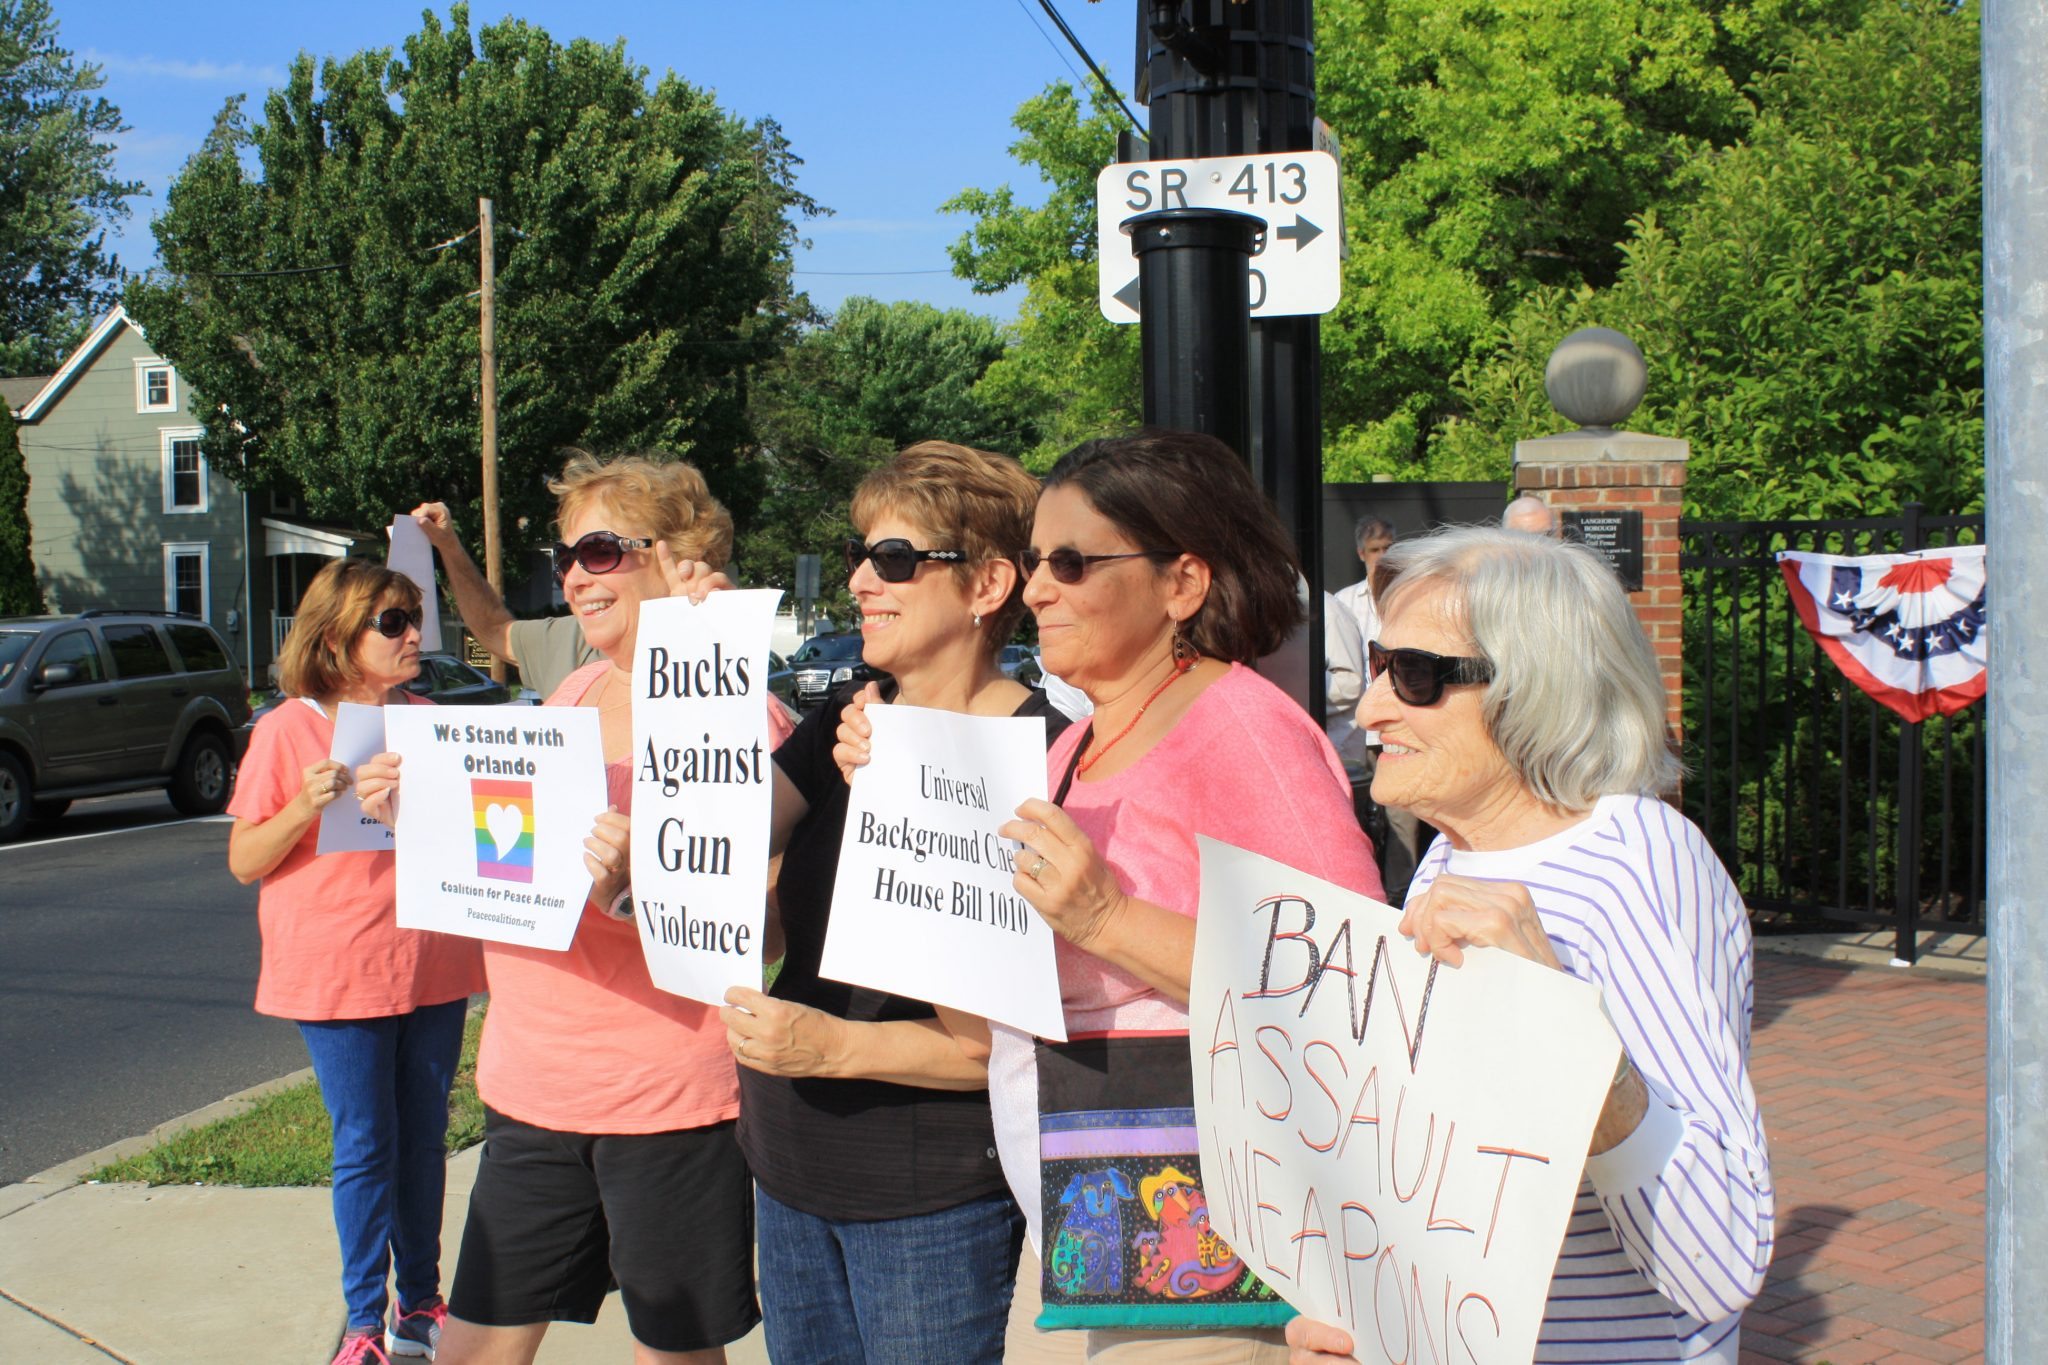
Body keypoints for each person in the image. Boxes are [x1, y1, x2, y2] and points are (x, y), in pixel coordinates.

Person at [840, 429, 1384, 1361]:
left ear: (1182, 583)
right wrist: (901, 816)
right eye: (1034, 559)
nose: (1038, 586)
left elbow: (1354, 980)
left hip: (1224, 1266)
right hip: (1086, 1237)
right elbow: (984, 1022)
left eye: (1071, 561)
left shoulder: (1245, 728)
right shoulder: (1073, 748)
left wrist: (1107, 918)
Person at [1285, 525, 1772, 1364]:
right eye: (1374, 665)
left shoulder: (1639, 857)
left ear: (1535, 688)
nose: (1367, 708)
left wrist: (1558, 1029)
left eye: (1415, 675)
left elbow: (1720, 1260)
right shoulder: (1452, 852)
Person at [363, 453, 784, 1365]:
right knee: (473, 1346)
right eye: (566, 557)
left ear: (678, 555)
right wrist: (419, 815)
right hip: (535, 1086)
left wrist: (642, 887)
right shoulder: (572, 692)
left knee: (671, 1353)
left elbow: (766, 926)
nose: (575, 577)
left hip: (666, 1097)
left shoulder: (740, 716)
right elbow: (511, 864)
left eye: (599, 550)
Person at [712, 440, 1070, 1364]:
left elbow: (1016, 1042)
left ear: (989, 584)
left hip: (927, 1197)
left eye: (898, 559)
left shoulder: (1049, 760)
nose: (864, 579)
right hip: (787, 1169)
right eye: (861, 554)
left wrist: (835, 1047)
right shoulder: (842, 721)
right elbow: (721, 850)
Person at [227, 558, 485, 1365]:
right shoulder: (286, 729)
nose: (413, 634)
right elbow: (245, 859)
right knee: (367, 1140)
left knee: (424, 1137)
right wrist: (309, 802)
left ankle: (423, 1305)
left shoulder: (426, 718)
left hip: (432, 959)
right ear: (337, 639)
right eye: (392, 621)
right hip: (338, 968)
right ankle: (363, 1326)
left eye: (416, 617)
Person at [409, 501, 597, 698]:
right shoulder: (569, 641)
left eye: (602, 552)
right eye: (564, 559)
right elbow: (493, 629)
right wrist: (449, 545)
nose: (572, 580)